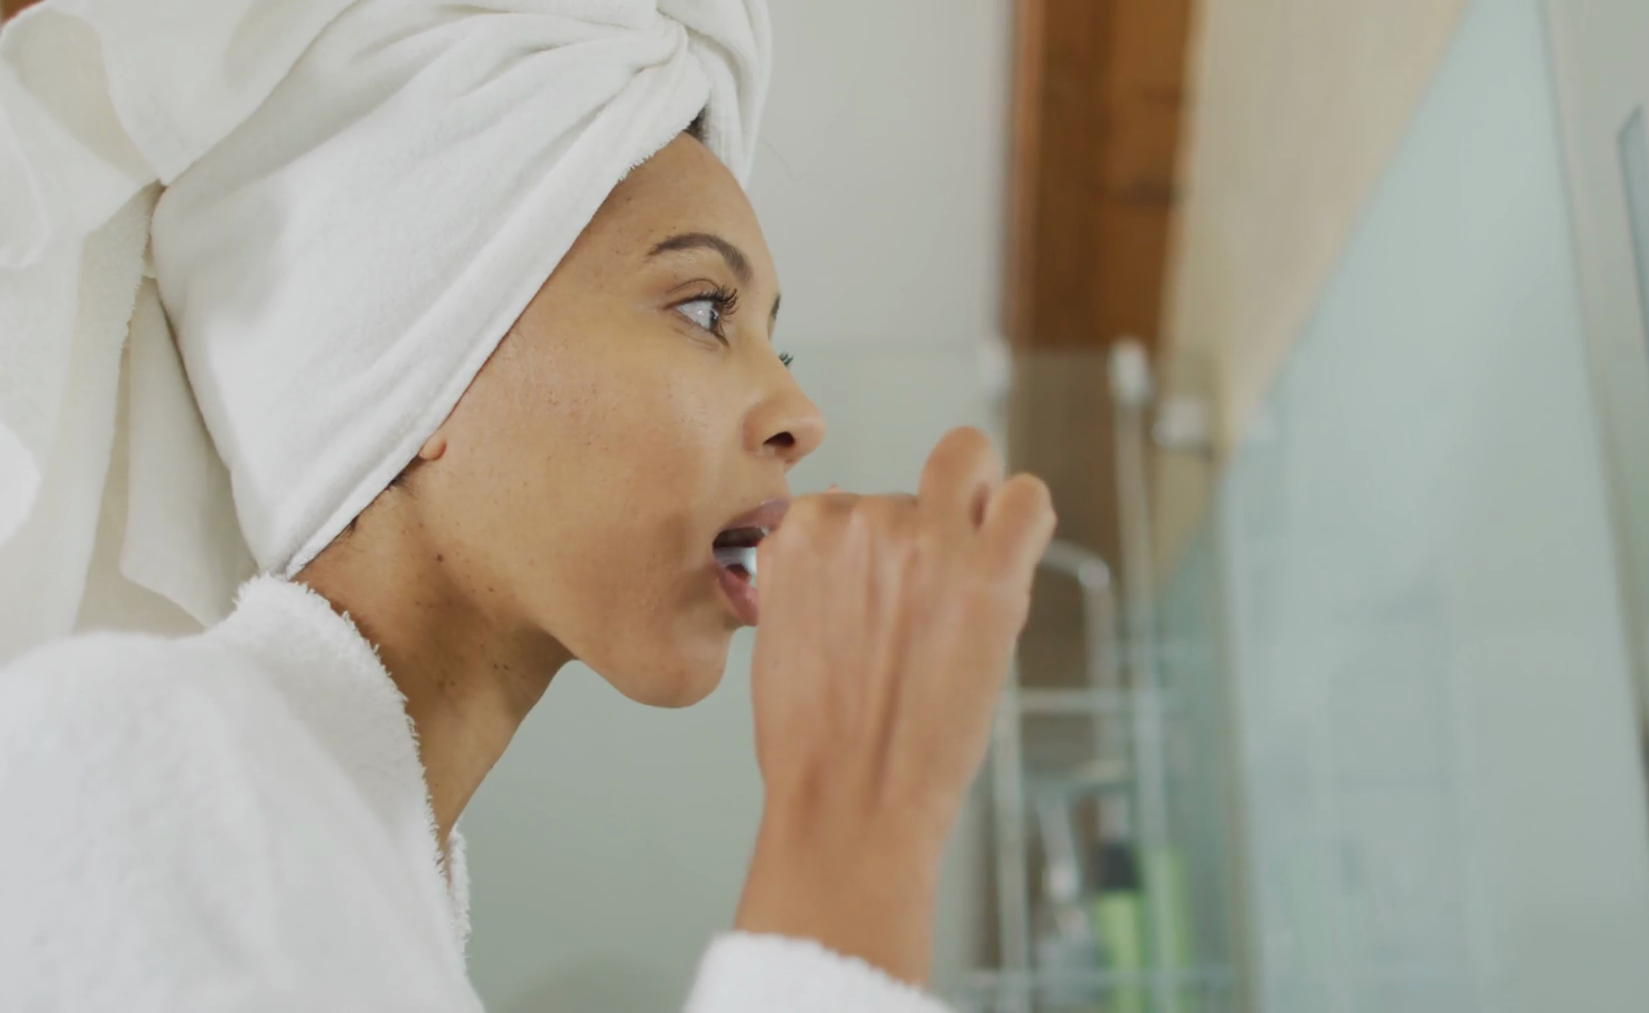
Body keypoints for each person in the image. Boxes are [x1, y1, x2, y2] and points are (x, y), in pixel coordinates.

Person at [0, 1, 1054, 1010]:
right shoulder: (125, 756)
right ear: (412, 365)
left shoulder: (367, 884)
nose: (800, 412)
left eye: (773, 341)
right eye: (702, 308)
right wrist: (854, 820)